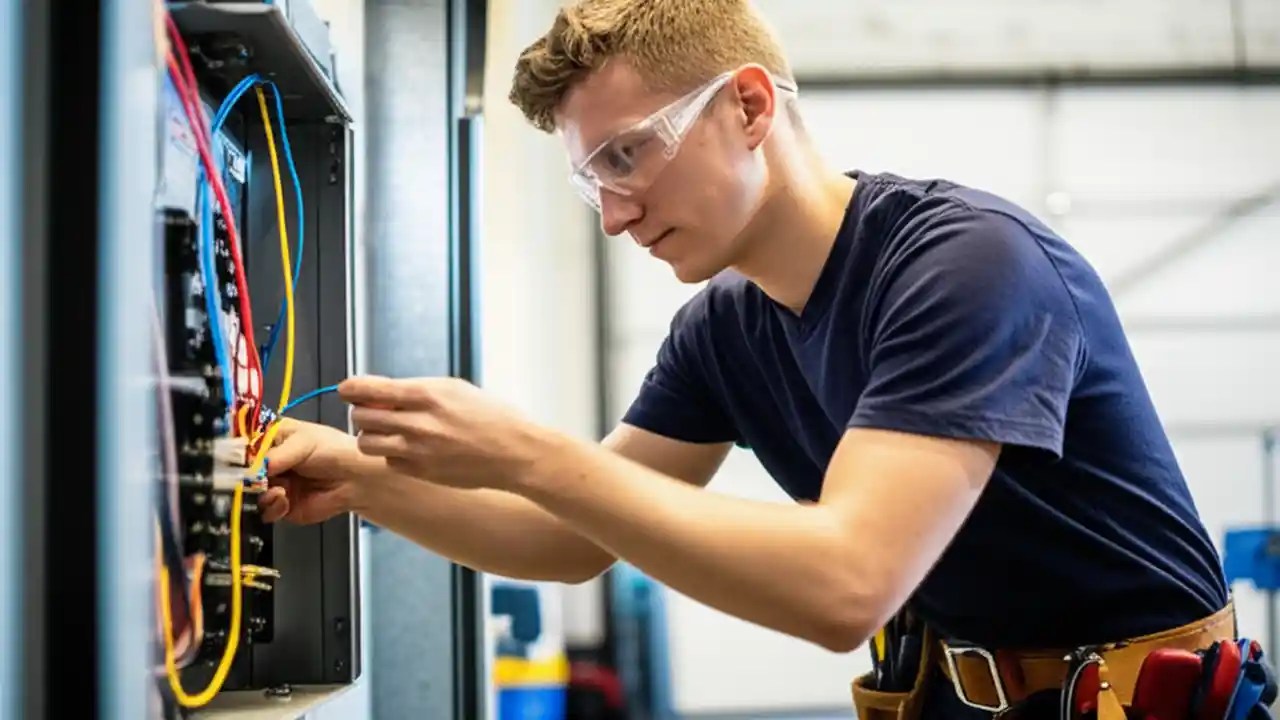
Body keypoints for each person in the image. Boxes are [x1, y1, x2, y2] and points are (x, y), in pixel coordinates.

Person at [260, 1, 1235, 717]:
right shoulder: (726, 328)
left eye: (626, 157)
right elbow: (569, 537)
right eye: (587, 180)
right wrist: (358, 482)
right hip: (956, 695)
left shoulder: (965, 267)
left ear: (750, 107)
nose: (611, 216)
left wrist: (530, 451)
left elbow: (843, 585)